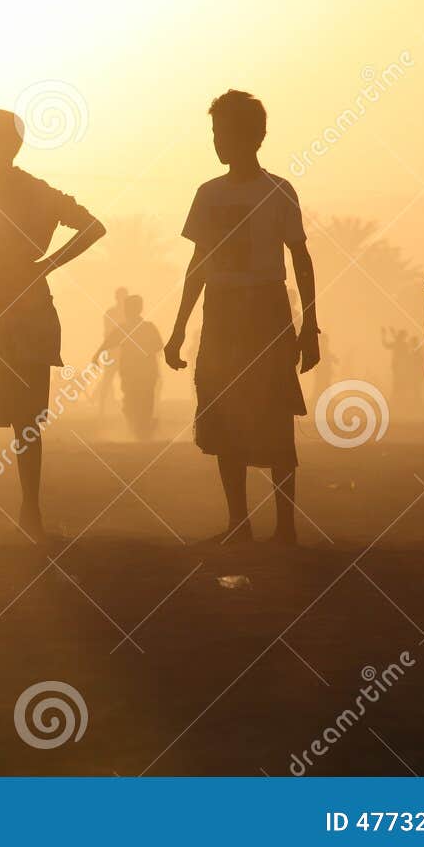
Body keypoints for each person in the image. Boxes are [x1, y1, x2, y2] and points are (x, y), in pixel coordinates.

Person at [165, 91, 319, 545]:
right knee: (223, 413)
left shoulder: (278, 191)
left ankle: (285, 526)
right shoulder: (208, 194)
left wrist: (309, 326)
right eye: (215, 133)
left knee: (275, 416)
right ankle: (239, 522)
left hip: (267, 312)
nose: (217, 142)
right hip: (222, 311)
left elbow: (301, 259)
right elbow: (199, 264)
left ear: (255, 137)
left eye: (224, 133)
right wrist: (178, 329)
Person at [0, 109, 105, 540]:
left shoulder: (35, 192)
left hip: (25, 318)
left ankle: (27, 513)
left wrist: (45, 265)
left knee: (24, 423)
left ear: (10, 146)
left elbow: (93, 227)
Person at [99, 294, 162, 440]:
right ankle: (141, 428)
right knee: (137, 401)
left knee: (136, 400)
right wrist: (97, 355)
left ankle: (141, 428)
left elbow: (158, 345)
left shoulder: (134, 328)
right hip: (139, 373)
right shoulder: (140, 327)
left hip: (137, 373)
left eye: (127, 308)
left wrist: (97, 356)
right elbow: (109, 342)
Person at [94, 288, 128, 413]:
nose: (123, 299)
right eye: (122, 296)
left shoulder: (126, 314)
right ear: (117, 297)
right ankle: (101, 408)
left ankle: (126, 408)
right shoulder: (112, 313)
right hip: (114, 351)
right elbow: (108, 334)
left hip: (124, 352)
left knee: (125, 380)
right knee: (108, 379)